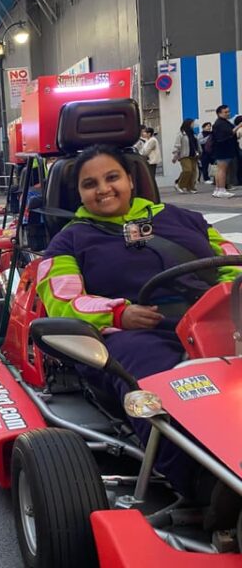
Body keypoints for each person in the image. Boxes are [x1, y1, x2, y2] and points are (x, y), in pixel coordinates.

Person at [37, 144, 241, 499]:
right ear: (80, 194)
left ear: (131, 180)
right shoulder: (68, 241)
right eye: (90, 184)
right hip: (138, 334)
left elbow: (229, 260)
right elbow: (62, 299)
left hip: (214, 319)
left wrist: (228, 297)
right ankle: (203, 484)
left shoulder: (184, 219)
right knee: (158, 381)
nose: (103, 189)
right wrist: (118, 312)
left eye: (112, 177)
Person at [211, 104, 240, 197]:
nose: (228, 113)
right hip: (223, 149)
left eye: (228, 111)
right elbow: (229, 133)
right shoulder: (220, 123)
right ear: (219, 113)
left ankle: (218, 189)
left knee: (220, 170)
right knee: (222, 170)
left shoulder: (222, 122)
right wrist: (239, 125)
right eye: (225, 112)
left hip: (222, 149)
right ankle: (222, 189)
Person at [171, 118, 199, 193]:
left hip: (193, 155)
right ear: (188, 124)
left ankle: (190, 187)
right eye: (192, 123)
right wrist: (175, 155)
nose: (193, 125)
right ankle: (179, 184)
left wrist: (199, 152)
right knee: (187, 170)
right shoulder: (181, 134)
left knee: (193, 172)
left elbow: (196, 144)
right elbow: (177, 145)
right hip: (184, 155)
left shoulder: (193, 133)